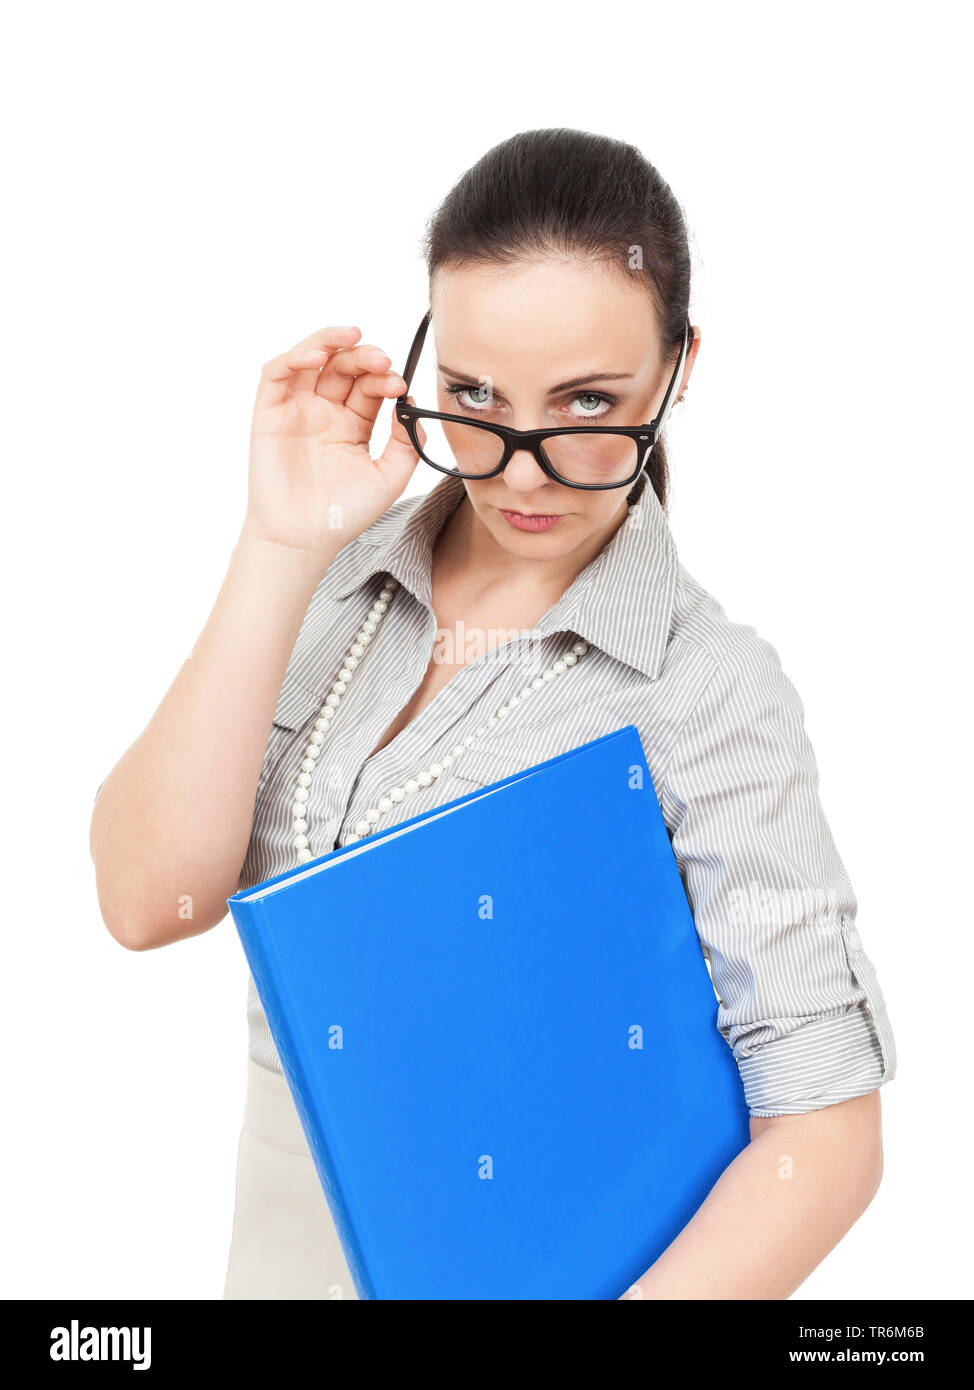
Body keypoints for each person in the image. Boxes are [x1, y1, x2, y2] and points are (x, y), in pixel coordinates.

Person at [89, 127, 896, 1300]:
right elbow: (146, 899)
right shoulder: (334, 577)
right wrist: (277, 542)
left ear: (677, 370)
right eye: (471, 395)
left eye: (585, 403)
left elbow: (824, 1135)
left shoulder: (705, 689)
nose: (518, 471)